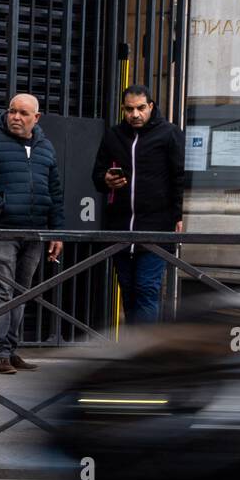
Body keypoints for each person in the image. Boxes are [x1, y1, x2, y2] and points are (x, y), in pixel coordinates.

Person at [0, 93, 64, 374]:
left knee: (21, 291)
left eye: (23, 113)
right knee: (2, 290)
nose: (16, 117)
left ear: (36, 118)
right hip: (2, 228)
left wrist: (57, 233)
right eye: (12, 111)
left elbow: (55, 192)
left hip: (34, 231)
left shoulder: (46, 147)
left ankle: (11, 349)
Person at [91, 84, 184, 325]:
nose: (135, 114)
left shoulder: (169, 133)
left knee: (146, 288)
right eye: (129, 109)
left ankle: (143, 353)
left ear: (151, 106)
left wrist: (177, 216)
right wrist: (107, 179)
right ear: (123, 109)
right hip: (120, 225)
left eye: (141, 108)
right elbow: (97, 174)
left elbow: (179, 177)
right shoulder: (114, 135)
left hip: (156, 226)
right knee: (129, 289)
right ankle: (134, 348)